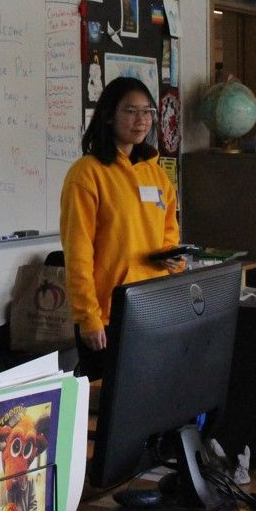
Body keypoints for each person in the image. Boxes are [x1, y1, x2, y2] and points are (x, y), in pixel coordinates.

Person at [59, 77, 179, 380]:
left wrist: (174, 259)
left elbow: (169, 234)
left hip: (151, 310)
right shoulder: (87, 174)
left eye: (147, 111)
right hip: (107, 316)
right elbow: (78, 252)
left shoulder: (156, 174)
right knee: (110, 414)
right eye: (130, 111)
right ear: (109, 115)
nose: (141, 120)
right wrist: (88, 317)